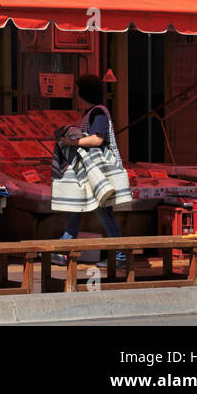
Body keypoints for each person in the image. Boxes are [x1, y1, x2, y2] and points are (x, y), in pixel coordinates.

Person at [51, 74, 130, 266]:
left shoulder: (98, 113)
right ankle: (63, 250)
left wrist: (71, 141)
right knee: (75, 208)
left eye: (78, 89)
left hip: (98, 174)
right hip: (89, 173)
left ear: (82, 92)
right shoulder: (91, 112)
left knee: (102, 212)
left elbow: (97, 139)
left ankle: (120, 255)